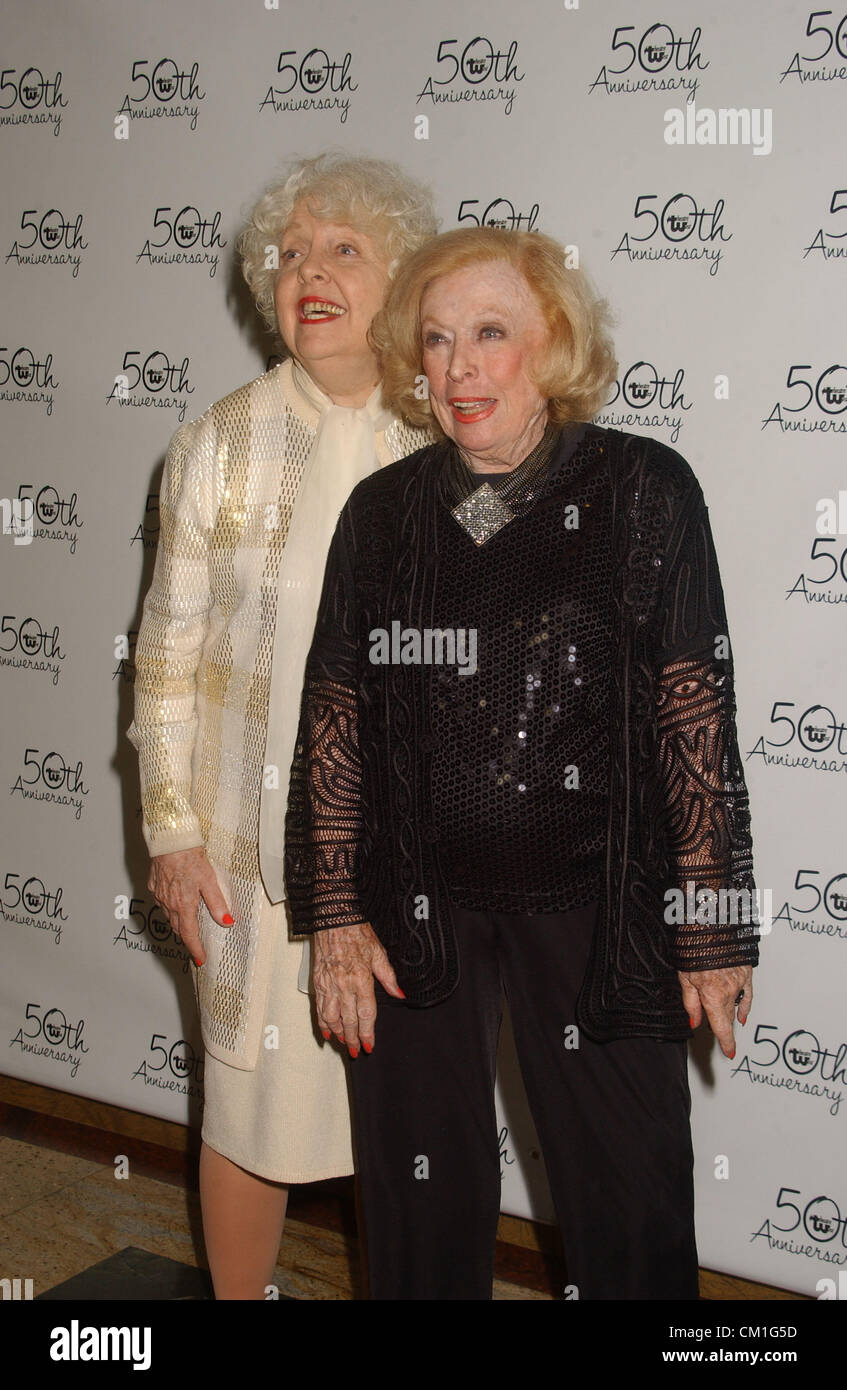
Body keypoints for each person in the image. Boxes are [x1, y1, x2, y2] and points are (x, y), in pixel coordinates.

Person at [285, 226, 760, 1300]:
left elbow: (693, 714)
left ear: (553, 345)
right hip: (416, 906)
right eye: (438, 338)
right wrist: (336, 914)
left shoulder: (644, 490)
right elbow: (337, 717)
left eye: (490, 333)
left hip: (601, 901)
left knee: (630, 1204)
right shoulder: (383, 517)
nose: (458, 367)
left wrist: (713, 921)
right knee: (415, 1213)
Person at [127, 153, 436, 1299]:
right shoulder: (221, 444)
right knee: (248, 1111)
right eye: (291, 254)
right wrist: (170, 830)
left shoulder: (445, 443)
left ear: (398, 275)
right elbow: (163, 653)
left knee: (403, 1127)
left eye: (343, 249)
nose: (309, 271)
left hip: (412, 867)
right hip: (250, 865)